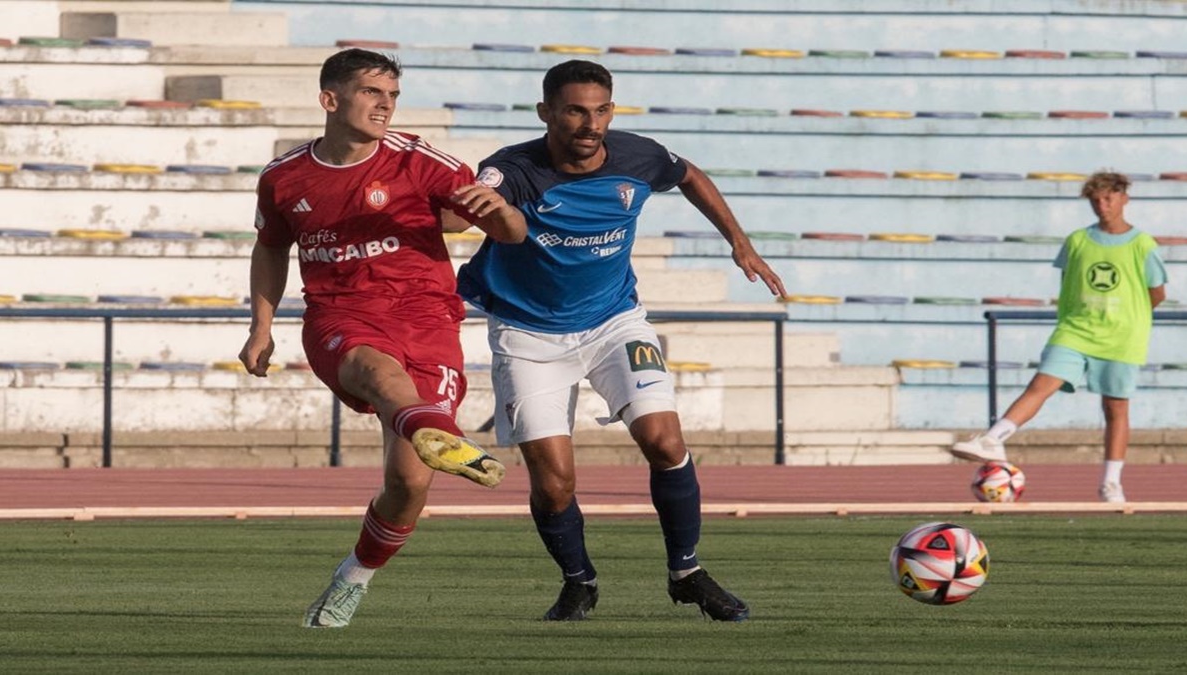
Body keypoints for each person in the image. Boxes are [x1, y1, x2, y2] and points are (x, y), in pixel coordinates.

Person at [455, 59, 787, 622]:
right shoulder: (513, 168)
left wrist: (740, 243)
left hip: (616, 322)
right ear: (546, 113)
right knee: (555, 481)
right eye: (576, 111)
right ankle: (578, 581)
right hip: (528, 333)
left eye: (602, 109)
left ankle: (686, 572)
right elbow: (471, 202)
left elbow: (688, 176)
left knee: (664, 440)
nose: (591, 124)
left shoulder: (639, 156)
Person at [238, 48, 526, 628]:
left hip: (428, 321)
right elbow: (271, 248)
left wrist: (500, 212)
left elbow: (508, 232)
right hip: (341, 316)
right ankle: (441, 434)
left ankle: (353, 577)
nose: (386, 104)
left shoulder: (421, 161)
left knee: (408, 482)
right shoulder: (284, 177)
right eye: (372, 92)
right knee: (375, 371)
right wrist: (260, 328)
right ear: (330, 100)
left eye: (392, 95)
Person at [949, 171, 1168, 503]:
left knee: (1115, 407)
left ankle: (1111, 482)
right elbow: (1069, 283)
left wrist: (1128, 317)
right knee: (1041, 384)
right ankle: (993, 439)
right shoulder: (1078, 240)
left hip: (1122, 336)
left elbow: (1157, 292)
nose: (1102, 206)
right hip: (1075, 330)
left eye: (1109, 198)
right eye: (1096, 200)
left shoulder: (1142, 244)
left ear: (1124, 198)